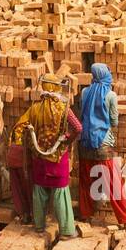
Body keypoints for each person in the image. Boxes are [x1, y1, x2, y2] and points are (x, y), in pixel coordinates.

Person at [17, 74, 81, 239]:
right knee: (60, 192)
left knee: (39, 190)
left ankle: (39, 226)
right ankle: (66, 230)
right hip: (58, 157)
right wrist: (67, 140)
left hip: (39, 157)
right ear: (56, 87)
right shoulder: (63, 108)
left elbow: (22, 126)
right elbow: (78, 128)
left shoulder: (35, 108)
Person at [76, 63, 126, 226]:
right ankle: (124, 219)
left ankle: (85, 214)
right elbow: (113, 121)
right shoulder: (111, 95)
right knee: (113, 184)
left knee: (86, 182)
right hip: (103, 146)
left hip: (85, 143)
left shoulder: (85, 92)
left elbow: (83, 114)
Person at [5, 117, 33, 225]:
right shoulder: (31, 122)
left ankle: (23, 214)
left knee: (17, 188)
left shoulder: (21, 121)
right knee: (29, 188)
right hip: (23, 159)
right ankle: (30, 214)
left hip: (12, 155)